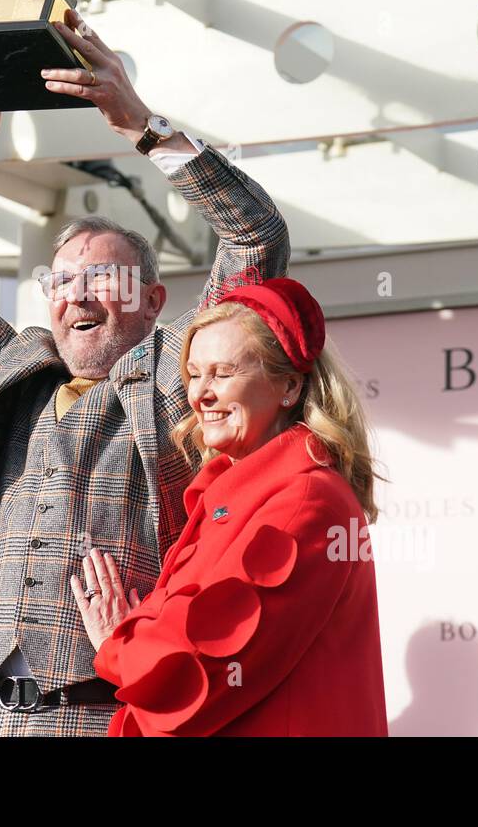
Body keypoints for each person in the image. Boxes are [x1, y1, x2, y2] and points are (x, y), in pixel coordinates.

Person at [0, 7, 291, 735]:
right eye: (64, 281)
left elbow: (254, 238)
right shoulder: (14, 371)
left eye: (104, 280)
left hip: (98, 715)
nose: (78, 295)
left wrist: (143, 125)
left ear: (153, 302)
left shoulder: (178, 375)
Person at [73, 275, 388, 735]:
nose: (200, 394)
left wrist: (118, 645)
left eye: (222, 373)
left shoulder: (305, 500)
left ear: (290, 387)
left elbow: (198, 663)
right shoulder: (233, 494)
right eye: (194, 374)